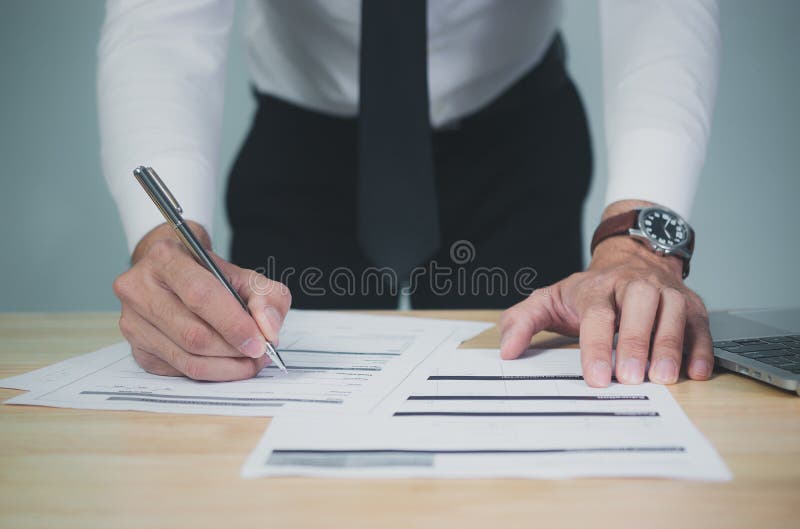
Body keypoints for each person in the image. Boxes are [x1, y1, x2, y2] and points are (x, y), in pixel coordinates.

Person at [100, 0, 720, 387]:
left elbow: (660, 11)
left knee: (526, 391)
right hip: (303, 140)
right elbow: (161, 26)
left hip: (512, 136)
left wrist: (638, 246)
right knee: (248, 368)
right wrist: (166, 242)